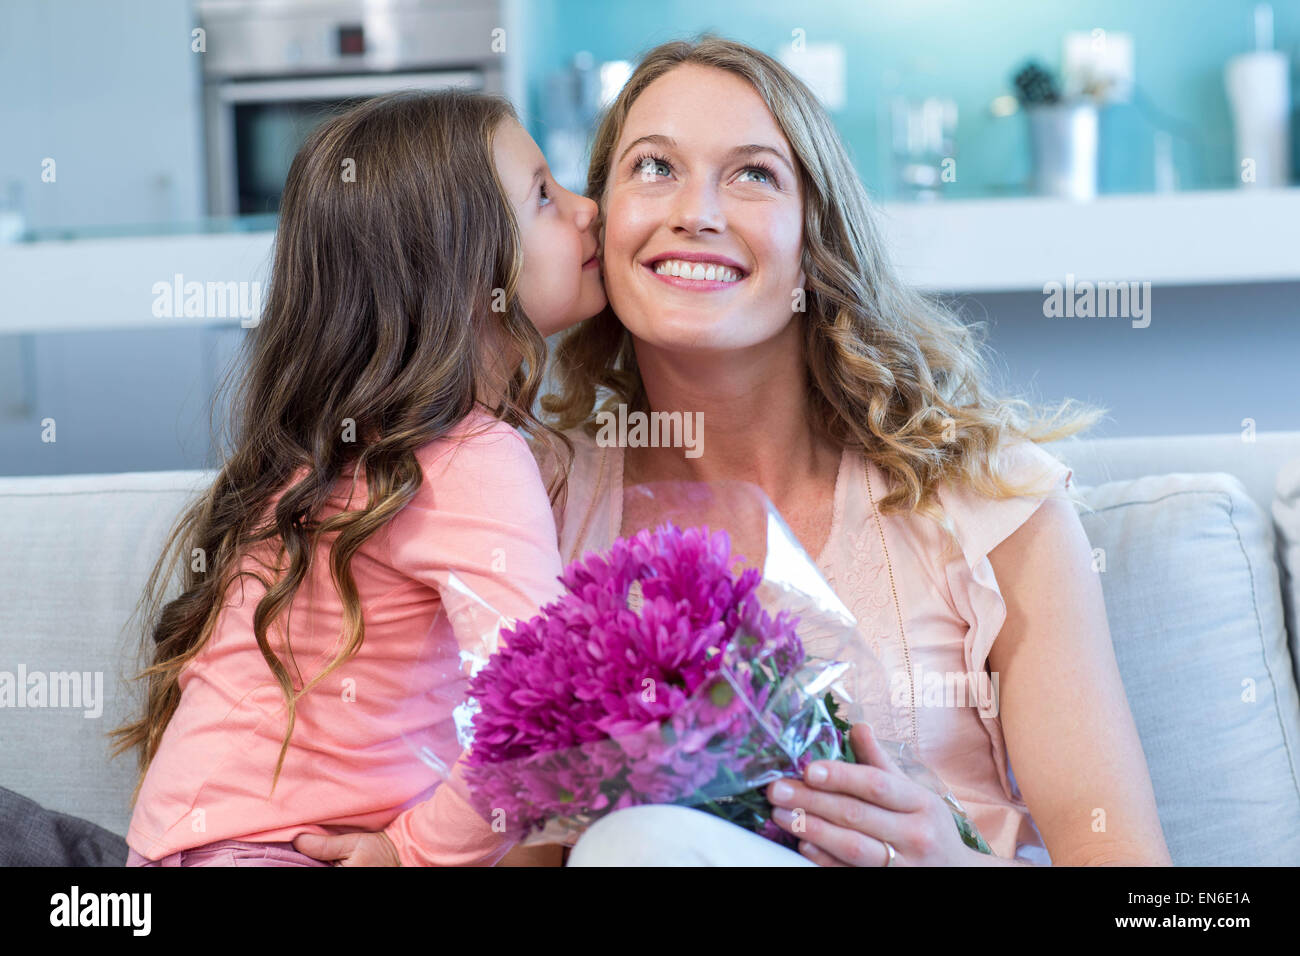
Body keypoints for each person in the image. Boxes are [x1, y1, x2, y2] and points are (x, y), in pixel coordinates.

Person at [111, 89, 604, 867]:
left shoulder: (349, 448)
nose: (587, 209)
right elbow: (547, 715)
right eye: (544, 195)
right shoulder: (472, 457)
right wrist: (412, 853)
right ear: (463, 276)